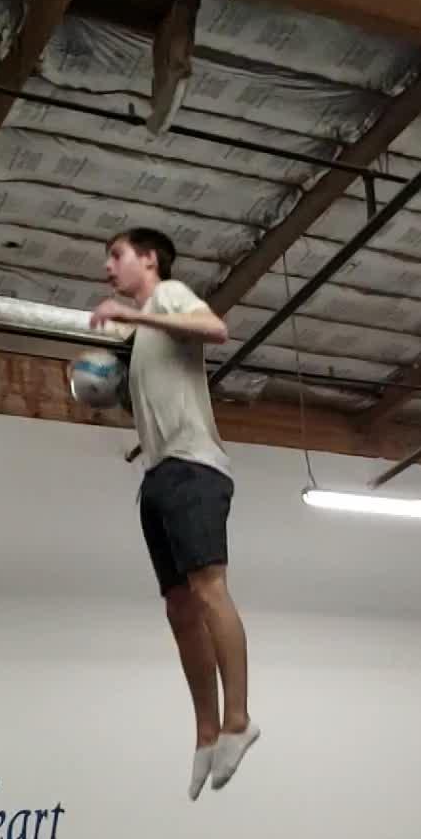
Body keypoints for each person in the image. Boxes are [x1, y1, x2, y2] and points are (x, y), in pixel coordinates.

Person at [91, 228, 258, 799]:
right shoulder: (141, 335)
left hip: (195, 468)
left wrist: (136, 318)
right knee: (179, 609)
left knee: (209, 591)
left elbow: (216, 329)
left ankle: (239, 719)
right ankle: (206, 733)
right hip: (158, 474)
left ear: (149, 259)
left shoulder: (168, 296)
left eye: (117, 256)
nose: (109, 268)